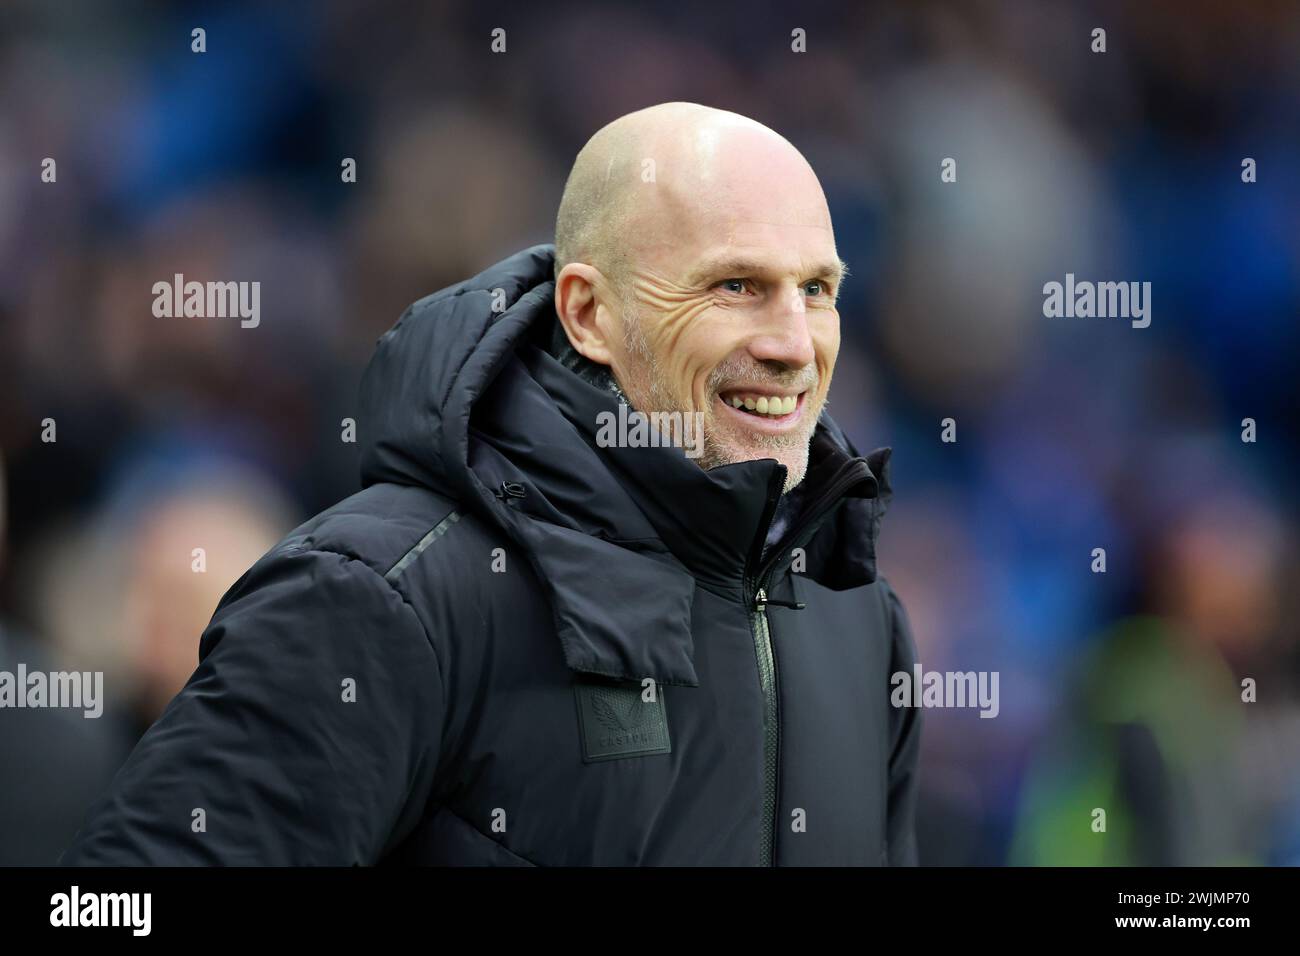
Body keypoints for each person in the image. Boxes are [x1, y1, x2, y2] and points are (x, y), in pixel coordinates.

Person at [63, 102, 922, 866]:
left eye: (817, 290)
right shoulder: (381, 597)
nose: (794, 343)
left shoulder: (858, 613)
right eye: (736, 286)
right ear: (590, 313)